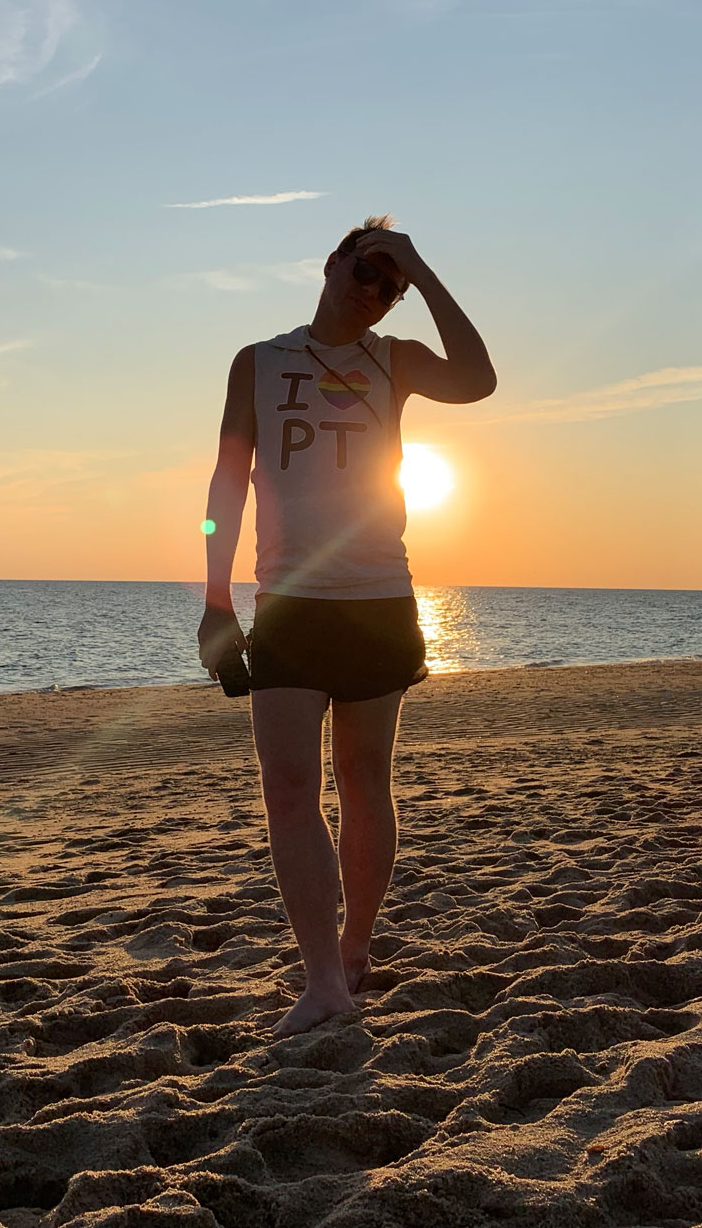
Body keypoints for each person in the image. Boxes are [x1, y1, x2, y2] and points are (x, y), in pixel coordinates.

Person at [198, 215, 496, 1037]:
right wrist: (216, 594)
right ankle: (323, 980)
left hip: (378, 599)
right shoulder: (259, 363)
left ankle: (357, 948)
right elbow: (228, 481)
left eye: (390, 284)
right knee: (289, 789)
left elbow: (479, 380)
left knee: (366, 783)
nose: (377, 291)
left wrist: (425, 271)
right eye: (368, 269)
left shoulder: (392, 361)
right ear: (332, 262)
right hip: (286, 603)